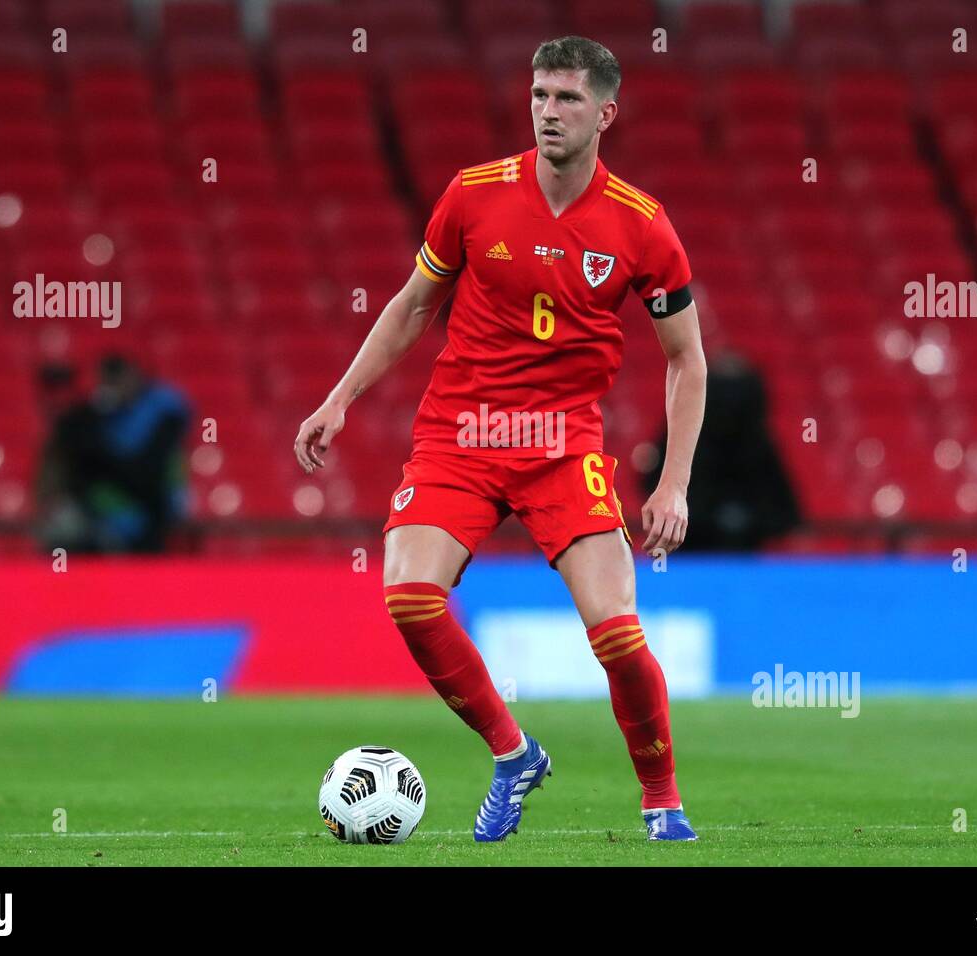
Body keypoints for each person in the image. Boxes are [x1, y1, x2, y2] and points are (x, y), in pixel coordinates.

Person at [296, 37, 706, 842]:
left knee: (617, 632)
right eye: (541, 95)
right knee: (409, 596)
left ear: (606, 114)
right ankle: (514, 754)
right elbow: (414, 306)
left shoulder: (643, 226)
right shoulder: (474, 194)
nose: (549, 112)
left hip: (563, 447)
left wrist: (675, 483)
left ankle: (662, 798)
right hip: (462, 433)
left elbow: (687, 358)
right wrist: (340, 398)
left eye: (568, 100)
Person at [643, 352, 801, 551]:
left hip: (745, 560)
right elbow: (653, 487)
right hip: (688, 555)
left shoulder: (759, 447)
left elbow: (784, 513)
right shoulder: (681, 438)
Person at [36, 354, 189, 554]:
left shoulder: (161, 414)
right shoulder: (93, 418)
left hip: (146, 509)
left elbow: (146, 473)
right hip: (102, 509)